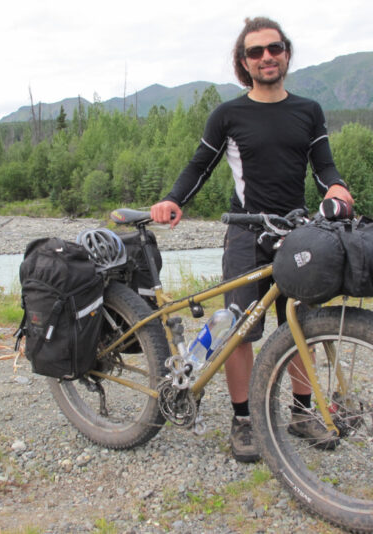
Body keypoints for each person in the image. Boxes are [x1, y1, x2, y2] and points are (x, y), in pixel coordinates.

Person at [150, 16, 354, 462]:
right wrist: (172, 200)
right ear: (244, 62)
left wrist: (336, 188)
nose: (267, 57)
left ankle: (302, 413)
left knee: (301, 323)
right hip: (246, 232)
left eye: (274, 48)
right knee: (239, 333)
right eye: (256, 51)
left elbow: (323, 167)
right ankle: (243, 419)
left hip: (298, 231)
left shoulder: (309, 110)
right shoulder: (228, 114)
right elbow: (199, 165)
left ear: (286, 53)